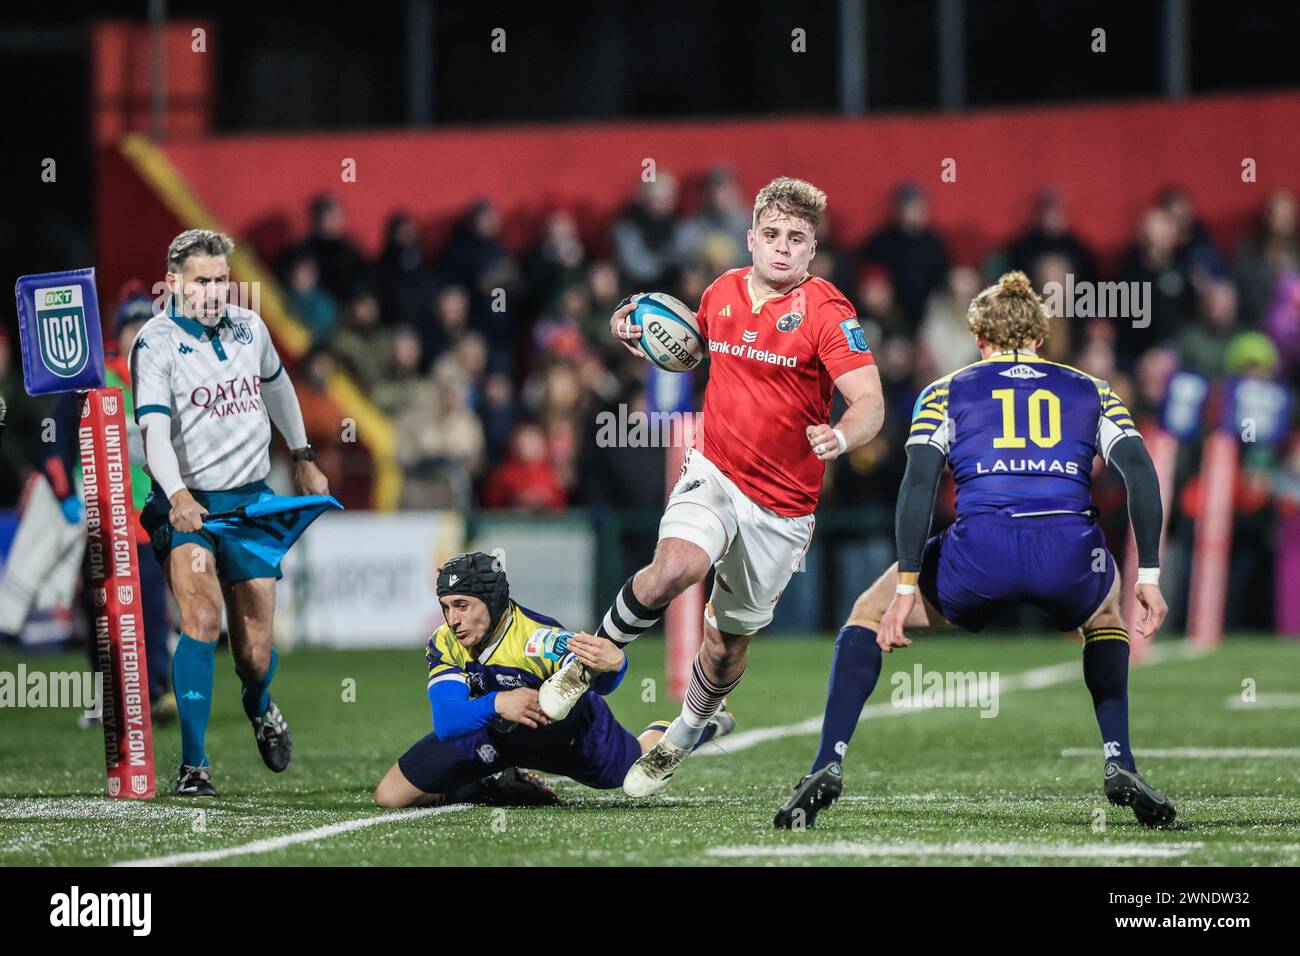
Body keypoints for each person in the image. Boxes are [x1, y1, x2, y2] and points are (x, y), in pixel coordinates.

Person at [774, 271, 1176, 829]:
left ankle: (828, 763)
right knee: (1106, 615)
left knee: (866, 612)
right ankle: (1118, 760)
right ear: (1039, 337)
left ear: (978, 338)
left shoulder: (945, 390)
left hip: (980, 551)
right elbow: (1140, 473)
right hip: (1067, 550)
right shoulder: (1093, 389)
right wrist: (1149, 574)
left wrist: (906, 590)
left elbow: (916, 487)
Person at [538, 176, 885, 798]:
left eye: (796, 239)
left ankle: (682, 735)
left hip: (782, 508)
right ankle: (580, 665)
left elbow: (870, 403)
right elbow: (690, 349)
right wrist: (637, 332)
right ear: (750, 238)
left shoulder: (830, 313)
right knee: (672, 568)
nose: (782, 247)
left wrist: (842, 435)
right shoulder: (722, 291)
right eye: (772, 235)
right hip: (716, 471)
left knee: (725, 646)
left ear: (812, 251)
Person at [131, 228, 330, 797]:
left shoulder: (250, 328)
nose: (215, 292)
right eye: (202, 282)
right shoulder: (155, 343)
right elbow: (154, 432)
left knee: (253, 654)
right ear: (173, 284)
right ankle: (194, 765)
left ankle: (260, 705)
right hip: (187, 506)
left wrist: (304, 454)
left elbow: (278, 386)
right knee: (200, 618)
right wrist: (176, 495)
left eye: (221, 280)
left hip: (251, 504)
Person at [374, 552, 735, 808]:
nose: (452, 619)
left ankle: (708, 721)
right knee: (391, 796)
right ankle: (494, 785)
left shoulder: (539, 639)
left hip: (569, 736)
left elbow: (597, 681)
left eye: (462, 605)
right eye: (446, 606)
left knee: (635, 770)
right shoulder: (445, 642)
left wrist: (615, 665)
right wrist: (501, 702)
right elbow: (448, 721)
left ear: (492, 599)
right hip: (491, 731)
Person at [38, 292, 176, 725]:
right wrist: (65, 500)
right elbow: (53, 443)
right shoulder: (92, 382)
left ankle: (155, 694)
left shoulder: (165, 382)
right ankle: (105, 699)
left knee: (152, 610)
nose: (138, 334)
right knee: (103, 614)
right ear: (118, 334)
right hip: (100, 519)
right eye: (131, 327)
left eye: (144, 326)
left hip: (151, 520)